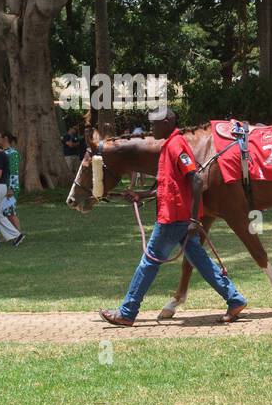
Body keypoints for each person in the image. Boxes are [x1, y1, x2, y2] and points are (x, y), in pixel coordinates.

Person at [100, 109, 247, 327]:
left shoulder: (177, 145)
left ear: (168, 122)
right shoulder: (169, 145)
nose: (152, 128)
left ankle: (127, 312)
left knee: (148, 262)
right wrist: (143, 194)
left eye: (155, 124)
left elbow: (196, 180)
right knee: (200, 260)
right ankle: (234, 299)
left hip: (174, 218)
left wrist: (194, 219)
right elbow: (171, 185)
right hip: (176, 216)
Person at [0, 131, 22, 234]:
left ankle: (18, 235)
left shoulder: (13, 154)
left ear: (5, 138)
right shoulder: (0, 152)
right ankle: (7, 235)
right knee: (3, 212)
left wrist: (11, 188)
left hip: (10, 187)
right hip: (1, 186)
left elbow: (14, 172)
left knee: (10, 212)